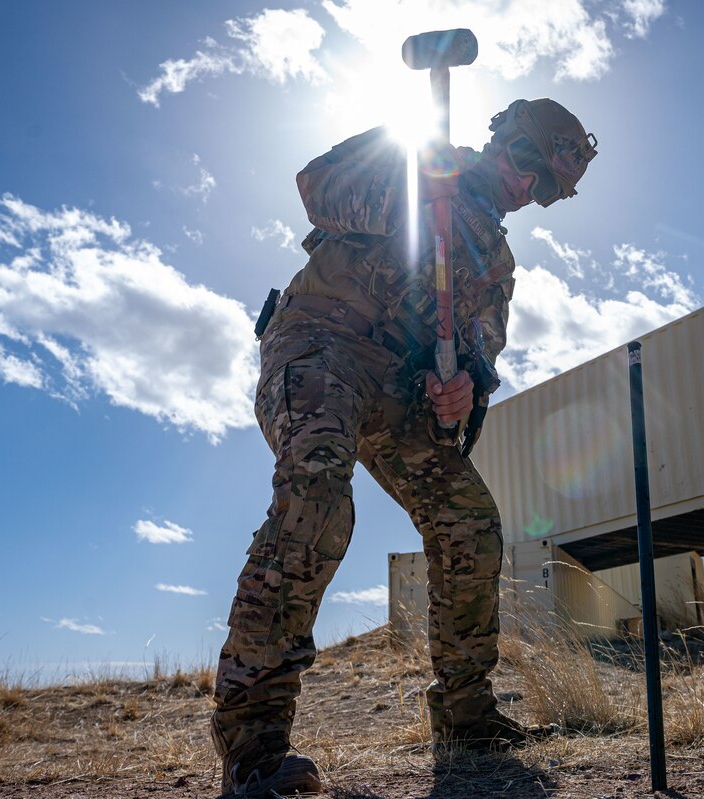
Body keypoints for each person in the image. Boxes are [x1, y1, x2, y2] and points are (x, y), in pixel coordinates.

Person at [210, 98, 597, 798]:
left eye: (543, 189)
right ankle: (253, 742)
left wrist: (464, 387)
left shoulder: (497, 262)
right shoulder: (415, 154)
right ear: (500, 141)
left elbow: (482, 349)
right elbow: (318, 185)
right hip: (320, 341)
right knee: (319, 494)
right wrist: (406, 196)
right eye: (523, 165)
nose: (524, 189)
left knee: (472, 523)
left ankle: (466, 717)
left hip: (399, 392)